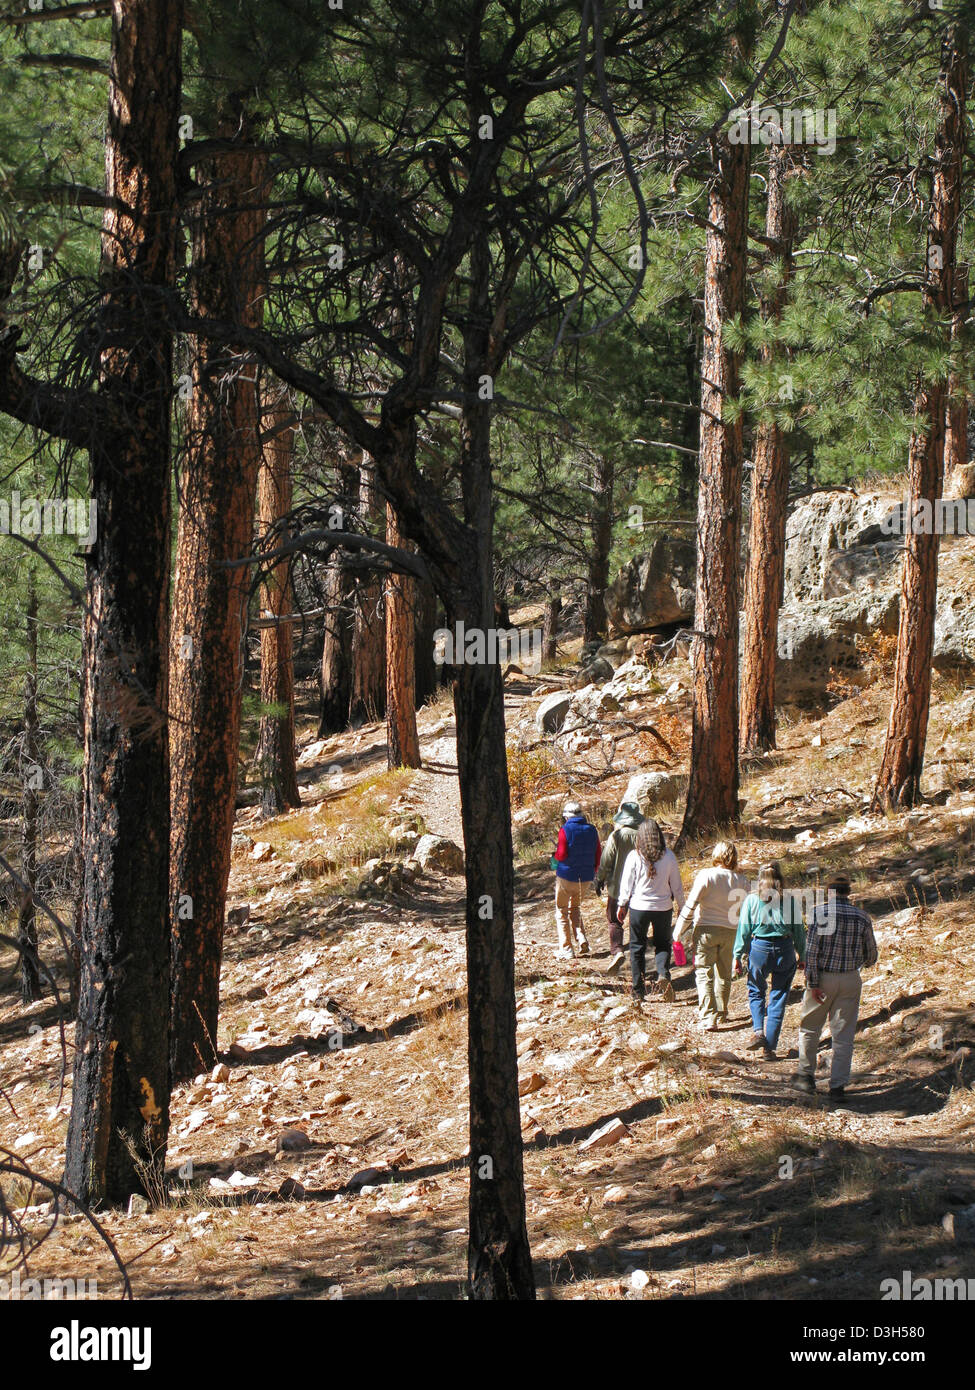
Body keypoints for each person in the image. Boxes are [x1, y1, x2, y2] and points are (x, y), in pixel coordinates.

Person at [794, 872, 878, 1103]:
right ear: (848, 893)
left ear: (829, 892)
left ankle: (806, 1077)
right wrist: (857, 963)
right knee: (843, 1036)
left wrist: (812, 983)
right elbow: (871, 954)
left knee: (811, 1028)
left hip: (822, 979)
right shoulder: (862, 917)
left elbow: (811, 953)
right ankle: (838, 1086)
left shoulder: (819, 913)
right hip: (850, 978)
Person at [734, 861, 806, 1058]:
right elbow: (798, 930)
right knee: (779, 996)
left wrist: (737, 955)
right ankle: (769, 1047)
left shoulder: (751, 900)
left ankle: (758, 1031)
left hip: (759, 950)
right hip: (785, 949)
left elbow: (744, 929)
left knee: (756, 990)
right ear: (780, 878)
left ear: (759, 879)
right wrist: (803, 955)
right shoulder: (790, 900)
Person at [673, 841, 747, 1032]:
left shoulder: (706, 875)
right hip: (732, 931)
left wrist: (679, 930)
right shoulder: (742, 881)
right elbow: (745, 911)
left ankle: (708, 1016)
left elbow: (691, 905)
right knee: (724, 974)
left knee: (704, 972)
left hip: (706, 929)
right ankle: (721, 1013)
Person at [616, 819, 685, 1002]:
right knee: (663, 944)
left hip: (639, 907)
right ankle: (663, 974)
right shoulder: (669, 856)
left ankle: (638, 991)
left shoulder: (634, 856)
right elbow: (676, 886)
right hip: (663, 907)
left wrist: (622, 904)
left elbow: (626, 884)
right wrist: (682, 906)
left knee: (637, 947)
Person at [594, 801, 644, 973]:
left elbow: (606, 861)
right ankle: (639, 955)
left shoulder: (617, 836)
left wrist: (599, 879)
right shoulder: (644, 836)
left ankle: (617, 951)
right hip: (640, 887)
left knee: (614, 919)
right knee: (638, 922)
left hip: (617, 885)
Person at [551, 801, 600, 959]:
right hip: (586, 877)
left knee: (562, 911)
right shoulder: (592, 830)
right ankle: (581, 939)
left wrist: (554, 857)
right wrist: (593, 871)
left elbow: (562, 854)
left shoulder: (565, 830)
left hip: (566, 876)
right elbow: (598, 853)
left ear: (566, 817)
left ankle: (566, 948)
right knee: (576, 908)